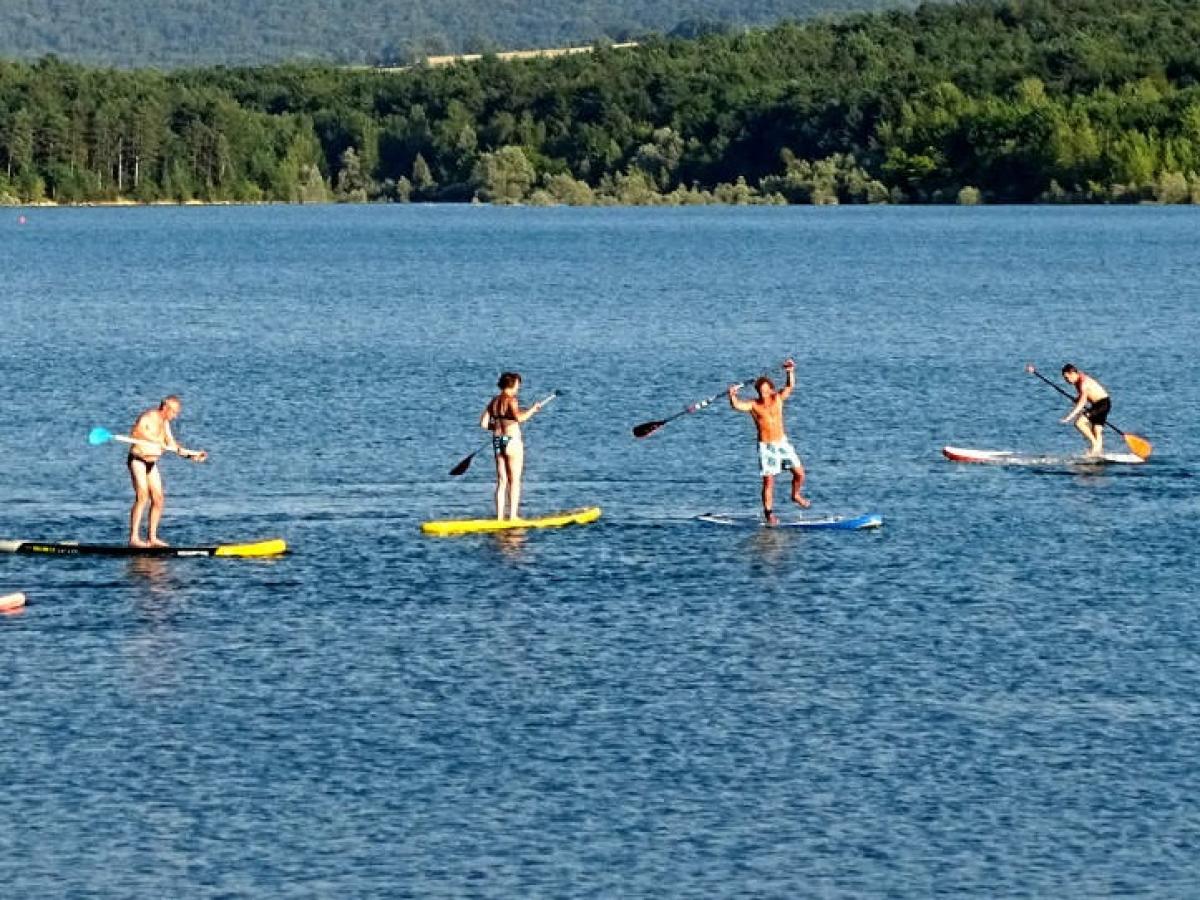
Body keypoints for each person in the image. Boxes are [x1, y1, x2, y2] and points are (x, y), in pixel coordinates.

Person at [728, 359, 810, 525]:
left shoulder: (778, 398)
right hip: (767, 447)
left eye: (766, 390)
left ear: (771, 389)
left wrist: (790, 371)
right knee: (769, 481)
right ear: (757, 392)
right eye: (760, 391)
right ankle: (769, 513)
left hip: (782, 443)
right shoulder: (754, 405)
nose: (764, 394)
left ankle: (795, 495)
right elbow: (737, 406)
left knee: (800, 473)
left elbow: (789, 387)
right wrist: (732, 395)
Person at [127, 395, 207, 547]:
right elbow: (135, 432)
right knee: (142, 496)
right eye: (174, 412)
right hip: (138, 461)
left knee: (158, 499)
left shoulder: (165, 424)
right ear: (165, 407)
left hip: (151, 464)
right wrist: (155, 440)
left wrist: (192, 455)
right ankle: (134, 539)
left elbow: (173, 446)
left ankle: (152, 538)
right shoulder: (148, 417)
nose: (175, 416)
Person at [479, 373, 545, 520]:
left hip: (498, 440)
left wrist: (497, 426)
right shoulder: (511, 400)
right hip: (512, 440)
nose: (518, 388)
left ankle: (500, 518)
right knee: (514, 480)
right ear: (512, 385)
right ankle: (513, 516)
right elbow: (519, 418)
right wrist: (533, 409)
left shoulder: (494, 401)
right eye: (517, 385)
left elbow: (483, 423)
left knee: (502, 481)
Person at [1060, 363, 1111, 456]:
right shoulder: (1078, 381)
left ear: (1073, 373)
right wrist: (1078, 398)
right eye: (1065, 378)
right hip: (1100, 404)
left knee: (1079, 423)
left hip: (1102, 404)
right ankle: (1098, 453)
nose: (1066, 381)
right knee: (1096, 430)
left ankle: (1094, 445)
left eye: (1067, 378)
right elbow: (1084, 395)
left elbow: (1082, 403)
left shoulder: (1084, 383)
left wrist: (1069, 417)